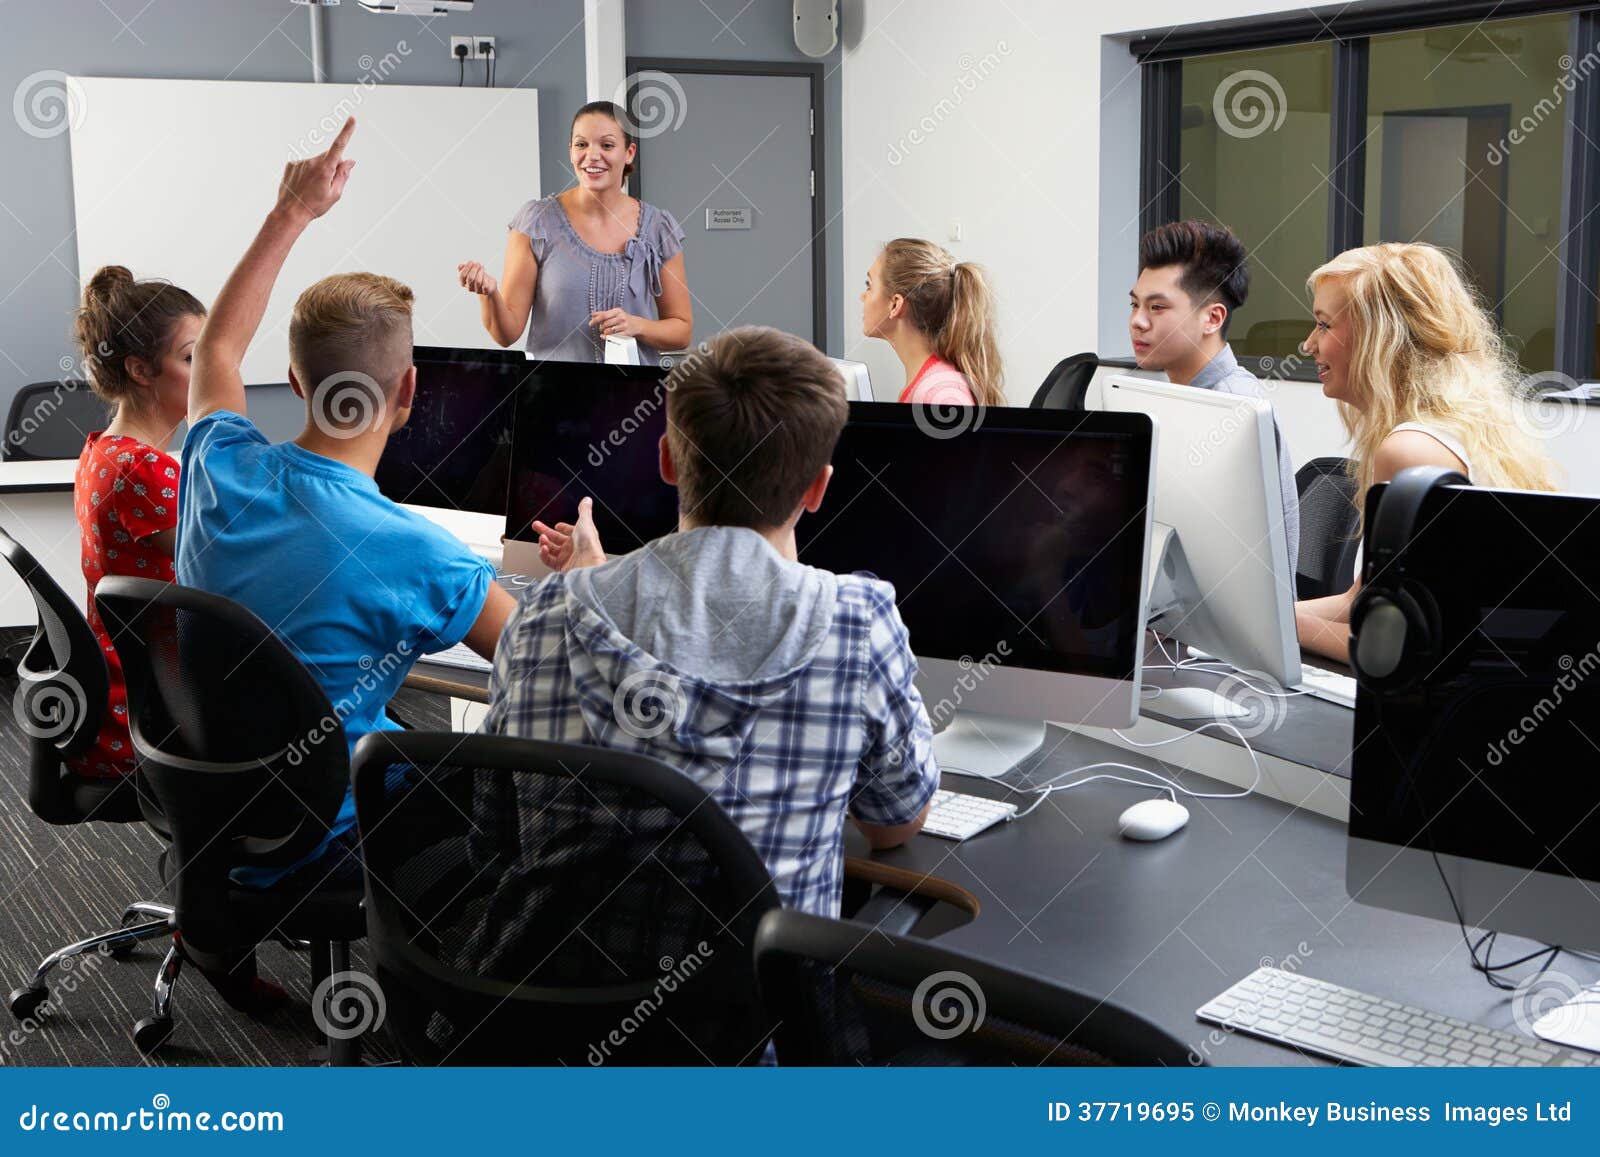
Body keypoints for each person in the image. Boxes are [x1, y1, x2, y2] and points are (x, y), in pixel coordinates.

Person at [175, 117, 515, 1004]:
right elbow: (547, 656)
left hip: (215, 803)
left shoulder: (219, 463)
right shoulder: (416, 552)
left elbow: (215, 349)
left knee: (411, 733)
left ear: (292, 382)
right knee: (514, 776)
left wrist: (292, 213)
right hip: (328, 825)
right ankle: (451, 995)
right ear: (409, 391)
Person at [480, 325, 939, 919]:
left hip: (550, 988)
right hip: (758, 1003)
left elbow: (494, 831)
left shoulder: (543, 616)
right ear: (819, 488)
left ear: (668, 460)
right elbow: (894, 824)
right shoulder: (856, 625)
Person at [1294, 242, 1558, 663]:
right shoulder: (1449, 430)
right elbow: (1360, 600)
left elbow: (1403, 652)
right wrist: (1258, 620)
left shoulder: (1411, 450)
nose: (1309, 344)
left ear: (1379, 337)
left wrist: (1276, 628)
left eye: (1324, 326)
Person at [68, 267, 205, 778]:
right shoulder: (145, 468)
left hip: (128, 690)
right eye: (193, 358)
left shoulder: (102, 452)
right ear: (142, 371)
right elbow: (225, 565)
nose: (210, 370)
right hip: (159, 712)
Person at [458, 101, 691, 364]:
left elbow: (682, 330)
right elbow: (506, 334)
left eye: (607, 145)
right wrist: (489, 294)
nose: (592, 155)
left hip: (632, 400)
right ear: (571, 151)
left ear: (629, 153)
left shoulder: (658, 228)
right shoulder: (537, 223)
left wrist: (637, 325)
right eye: (581, 144)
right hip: (553, 396)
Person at [1130, 220, 1299, 575]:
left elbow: (1249, 575)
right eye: (1135, 305)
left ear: (1212, 318)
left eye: (1157, 308)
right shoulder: (1174, 399)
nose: (1138, 322)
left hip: (1221, 626)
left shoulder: (1235, 410)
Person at [860, 238, 1005, 408]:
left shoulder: (937, 395)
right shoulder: (929, 386)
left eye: (869, 285)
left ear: (895, 304)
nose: (862, 297)